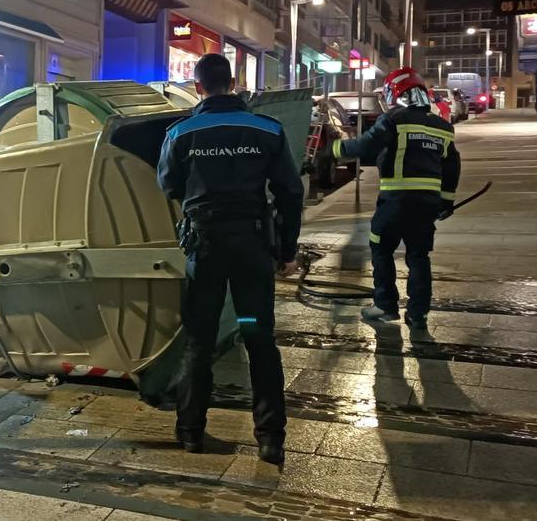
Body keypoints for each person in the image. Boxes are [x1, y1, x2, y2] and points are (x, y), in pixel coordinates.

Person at [157, 53, 303, 468]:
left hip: (205, 251)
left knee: (199, 341)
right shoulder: (267, 128)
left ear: (197, 86)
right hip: (252, 252)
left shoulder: (180, 131)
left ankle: (190, 433)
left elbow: (168, 185)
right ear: (234, 82)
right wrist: (286, 251)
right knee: (257, 337)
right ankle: (271, 439)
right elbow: (291, 193)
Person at [332, 67, 461, 328]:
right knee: (419, 256)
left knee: (381, 248)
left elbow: (368, 144)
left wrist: (336, 148)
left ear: (396, 92)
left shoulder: (395, 119)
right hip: (426, 205)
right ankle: (418, 314)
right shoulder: (443, 127)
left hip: (395, 202)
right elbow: (452, 167)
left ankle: (385, 306)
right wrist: (446, 202)